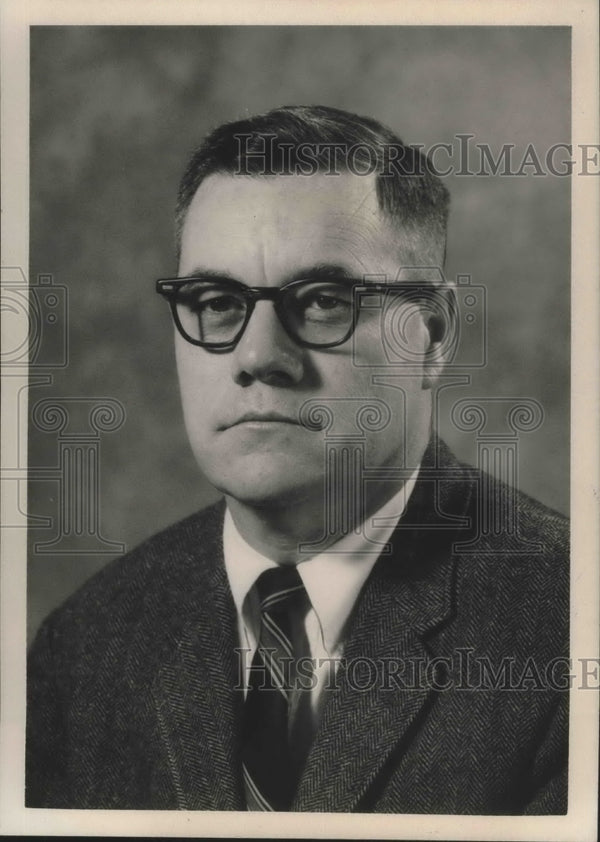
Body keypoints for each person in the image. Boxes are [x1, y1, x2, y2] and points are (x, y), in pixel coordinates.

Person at [26, 105, 569, 813]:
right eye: (216, 301)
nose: (258, 357)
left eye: (320, 302)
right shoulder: (86, 646)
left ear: (432, 334)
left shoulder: (565, 626)